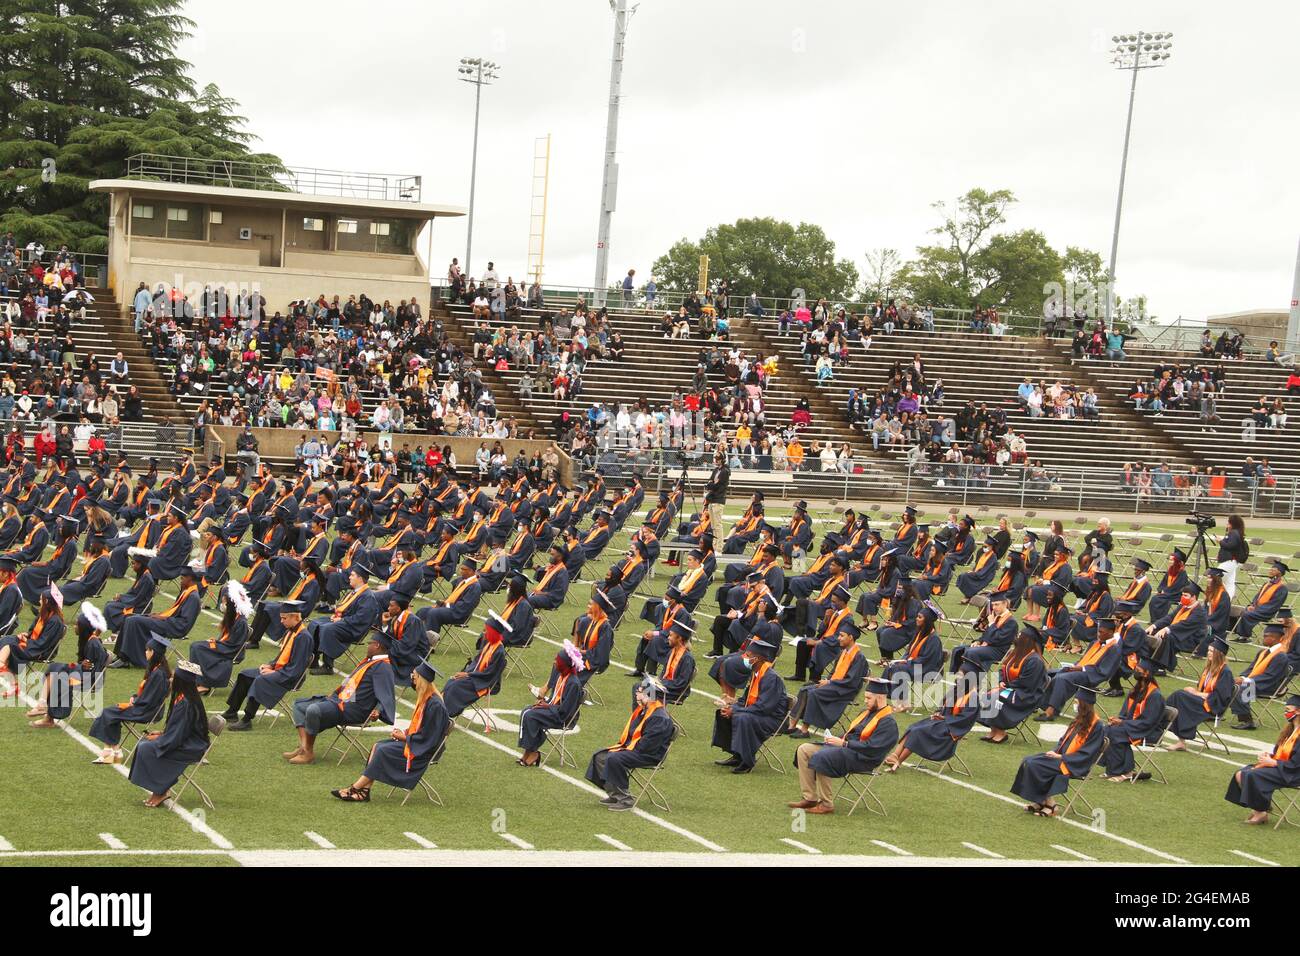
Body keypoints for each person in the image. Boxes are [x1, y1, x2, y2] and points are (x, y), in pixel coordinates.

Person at [332, 661, 451, 803]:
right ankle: (364, 791)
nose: (412, 679)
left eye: (414, 676)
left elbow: (429, 738)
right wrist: (405, 733)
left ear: (421, 680)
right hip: (416, 742)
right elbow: (421, 728)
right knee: (378, 746)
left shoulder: (435, 705)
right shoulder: (427, 699)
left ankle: (355, 788)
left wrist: (405, 737)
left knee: (383, 750)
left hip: (423, 750)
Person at [789, 677, 898, 815]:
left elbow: (874, 748)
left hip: (864, 758)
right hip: (846, 749)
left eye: (869, 698)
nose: (865, 701)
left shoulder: (888, 722)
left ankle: (826, 804)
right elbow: (852, 734)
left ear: (881, 697)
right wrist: (835, 739)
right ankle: (809, 798)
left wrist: (845, 743)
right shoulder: (865, 713)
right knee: (804, 749)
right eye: (865, 697)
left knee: (823, 756)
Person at [285, 631, 396, 765]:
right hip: (341, 701)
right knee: (299, 705)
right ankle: (303, 747)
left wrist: (378, 710)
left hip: (354, 709)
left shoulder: (383, 666)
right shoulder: (371, 661)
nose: (367, 646)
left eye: (370, 643)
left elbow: (387, 694)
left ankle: (308, 753)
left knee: (313, 710)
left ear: (377, 645)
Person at [1011, 687, 1104, 816]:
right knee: (1028, 760)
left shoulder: (1097, 726)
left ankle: (1051, 804)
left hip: (1076, 763)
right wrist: (1055, 752)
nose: (1074, 704)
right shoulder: (1079, 719)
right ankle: (1040, 801)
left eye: (1077, 702)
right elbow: (1063, 741)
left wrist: (1061, 757)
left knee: (1036, 765)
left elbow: (1088, 753)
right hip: (1061, 757)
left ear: (1085, 705)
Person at [128, 660, 210, 808]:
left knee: (147, 748)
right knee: (145, 744)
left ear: (181, 681)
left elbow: (178, 734)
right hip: (182, 739)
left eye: (174, 677)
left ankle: (160, 791)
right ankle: (159, 789)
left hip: (192, 746)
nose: (171, 679)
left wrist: (162, 739)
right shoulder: (183, 697)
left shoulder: (186, 703)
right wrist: (162, 733)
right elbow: (179, 729)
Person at [585, 676, 674, 811]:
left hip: (650, 754)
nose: (636, 694)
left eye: (639, 692)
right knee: (600, 756)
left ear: (648, 695)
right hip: (637, 748)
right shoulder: (644, 710)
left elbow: (648, 746)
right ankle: (615, 794)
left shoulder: (659, 717)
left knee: (614, 758)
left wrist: (627, 749)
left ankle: (625, 799)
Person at [221, 601, 312, 730]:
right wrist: (271, 666)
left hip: (290, 677)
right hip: (281, 671)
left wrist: (275, 673)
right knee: (245, 674)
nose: (281, 621)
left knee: (260, 680)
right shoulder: (291, 632)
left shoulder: (303, 637)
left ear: (295, 617)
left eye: (284, 618)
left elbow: (296, 668)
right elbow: (282, 657)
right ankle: (232, 711)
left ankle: (247, 719)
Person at [88, 635, 171, 764]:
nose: (145, 652)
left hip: (146, 711)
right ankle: (114, 751)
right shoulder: (157, 670)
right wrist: (135, 697)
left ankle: (109, 752)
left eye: (147, 650)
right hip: (144, 707)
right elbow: (147, 693)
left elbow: (149, 699)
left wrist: (135, 702)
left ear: (153, 652)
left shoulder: (158, 674)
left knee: (108, 713)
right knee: (111, 713)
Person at [26, 601, 109, 726]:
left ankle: (48, 715)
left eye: (77, 625)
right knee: (55, 669)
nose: (75, 627)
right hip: (84, 675)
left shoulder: (93, 644)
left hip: (91, 680)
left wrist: (73, 667)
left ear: (84, 627)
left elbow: (90, 668)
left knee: (59, 674)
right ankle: (44, 708)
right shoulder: (88, 641)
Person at [711, 639, 786, 773]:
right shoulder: (756, 674)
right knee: (723, 713)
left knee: (741, 718)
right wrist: (731, 704)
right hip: (759, 713)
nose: (744, 658)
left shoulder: (771, 678)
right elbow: (745, 700)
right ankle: (737, 754)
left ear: (757, 659)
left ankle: (747, 761)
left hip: (772, 719)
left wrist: (735, 711)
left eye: (748, 655)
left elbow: (764, 707)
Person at [1224, 694, 1300, 825]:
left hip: (1293, 773)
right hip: (1281, 768)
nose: (1285, 713)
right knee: (1240, 774)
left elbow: (1296, 762)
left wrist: (1273, 762)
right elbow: (1281, 754)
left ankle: (1260, 812)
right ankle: (1259, 808)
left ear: (1298, 711)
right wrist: (1268, 757)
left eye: (1288, 710)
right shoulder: (1290, 730)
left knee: (1253, 775)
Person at [883, 673, 980, 772]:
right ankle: (894, 756)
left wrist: (944, 718)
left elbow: (966, 719)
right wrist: (938, 713)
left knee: (918, 732)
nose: (958, 678)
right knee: (912, 727)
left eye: (961, 676)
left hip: (951, 729)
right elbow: (943, 705)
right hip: (940, 722)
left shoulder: (973, 698)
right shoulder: (957, 689)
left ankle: (898, 762)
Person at [516, 640, 586, 767]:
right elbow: (555, 699)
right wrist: (545, 702)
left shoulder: (573, 683)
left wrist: (548, 706)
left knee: (531, 715)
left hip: (563, 717)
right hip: (554, 710)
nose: (554, 662)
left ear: (564, 664)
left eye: (557, 660)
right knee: (527, 709)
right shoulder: (562, 676)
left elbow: (566, 710)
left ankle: (533, 752)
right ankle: (529, 750)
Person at [977, 627, 1048, 743]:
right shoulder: (1015, 653)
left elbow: (1027, 682)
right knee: (988, 694)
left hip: (1026, 694)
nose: (1017, 638)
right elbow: (1002, 669)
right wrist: (1001, 681)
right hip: (1013, 688)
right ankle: (993, 729)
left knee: (998, 697)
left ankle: (1001, 732)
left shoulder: (1035, 661)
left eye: (1020, 637)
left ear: (1027, 641)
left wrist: (1008, 686)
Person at [1100, 658, 1166, 781]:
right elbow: (1126, 714)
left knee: (1116, 733)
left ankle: (1127, 771)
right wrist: (1118, 720)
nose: (1136, 672)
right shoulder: (1136, 690)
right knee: (1108, 729)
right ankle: (1113, 769)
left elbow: (1148, 721)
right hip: (1133, 725)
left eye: (1138, 670)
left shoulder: (1155, 695)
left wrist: (1124, 723)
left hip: (1149, 731)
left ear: (1147, 674)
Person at [1165, 637, 1234, 750]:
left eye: (1212, 651)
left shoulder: (1225, 672)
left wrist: (1196, 693)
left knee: (1180, 696)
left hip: (1213, 706)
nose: (1209, 653)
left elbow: (1219, 697)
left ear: (1219, 654)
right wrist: (1194, 692)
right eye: (1208, 650)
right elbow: (1202, 689)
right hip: (1203, 700)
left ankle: (1161, 722)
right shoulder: (1209, 668)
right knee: (1179, 697)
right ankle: (1178, 738)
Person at [188, 581, 253, 691]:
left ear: (232, 604)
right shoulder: (232, 616)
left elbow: (233, 646)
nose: (223, 605)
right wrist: (214, 643)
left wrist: (214, 644)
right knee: (195, 646)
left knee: (198, 648)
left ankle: (204, 684)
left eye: (225, 603)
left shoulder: (241, 622)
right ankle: (195, 679)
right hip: (223, 646)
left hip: (230, 650)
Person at [1232, 560, 1289, 643]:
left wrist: (1257, 609)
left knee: (1247, 614)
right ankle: (1241, 634)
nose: (1270, 571)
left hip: (1267, 612)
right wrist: (1252, 605)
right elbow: (1257, 596)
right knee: (1242, 611)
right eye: (1270, 569)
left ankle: (1245, 637)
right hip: (1258, 609)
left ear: (1279, 573)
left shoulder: (1282, 588)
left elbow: (1274, 605)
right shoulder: (1267, 583)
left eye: (1273, 570)